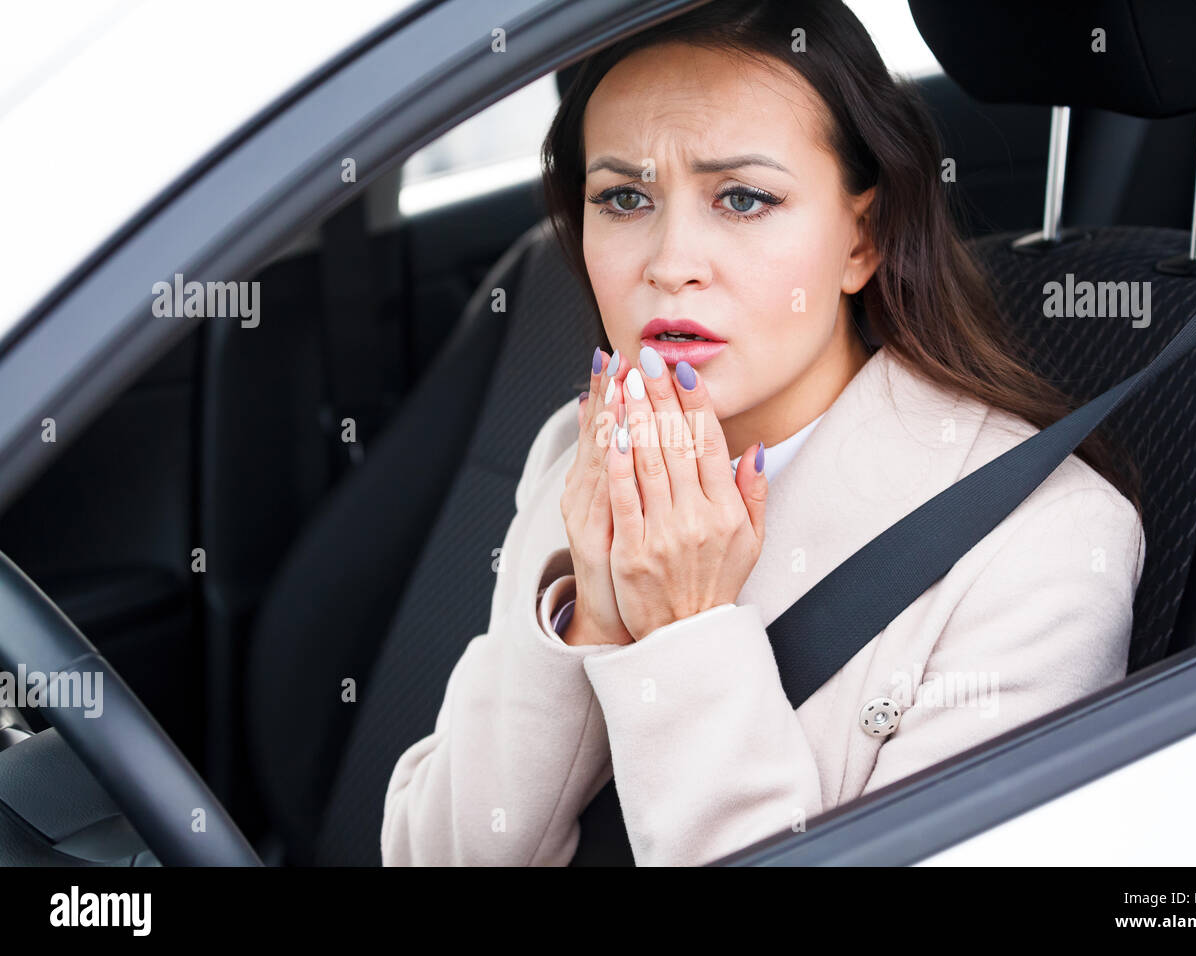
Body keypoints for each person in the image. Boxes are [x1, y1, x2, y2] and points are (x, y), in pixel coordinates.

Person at [381, 0, 1145, 866]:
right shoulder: (579, 449)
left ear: (866, 236)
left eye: (743, 198)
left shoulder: (1044, 540)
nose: (670, 262)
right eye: (624, 197)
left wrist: (684, 631)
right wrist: (591, 616)